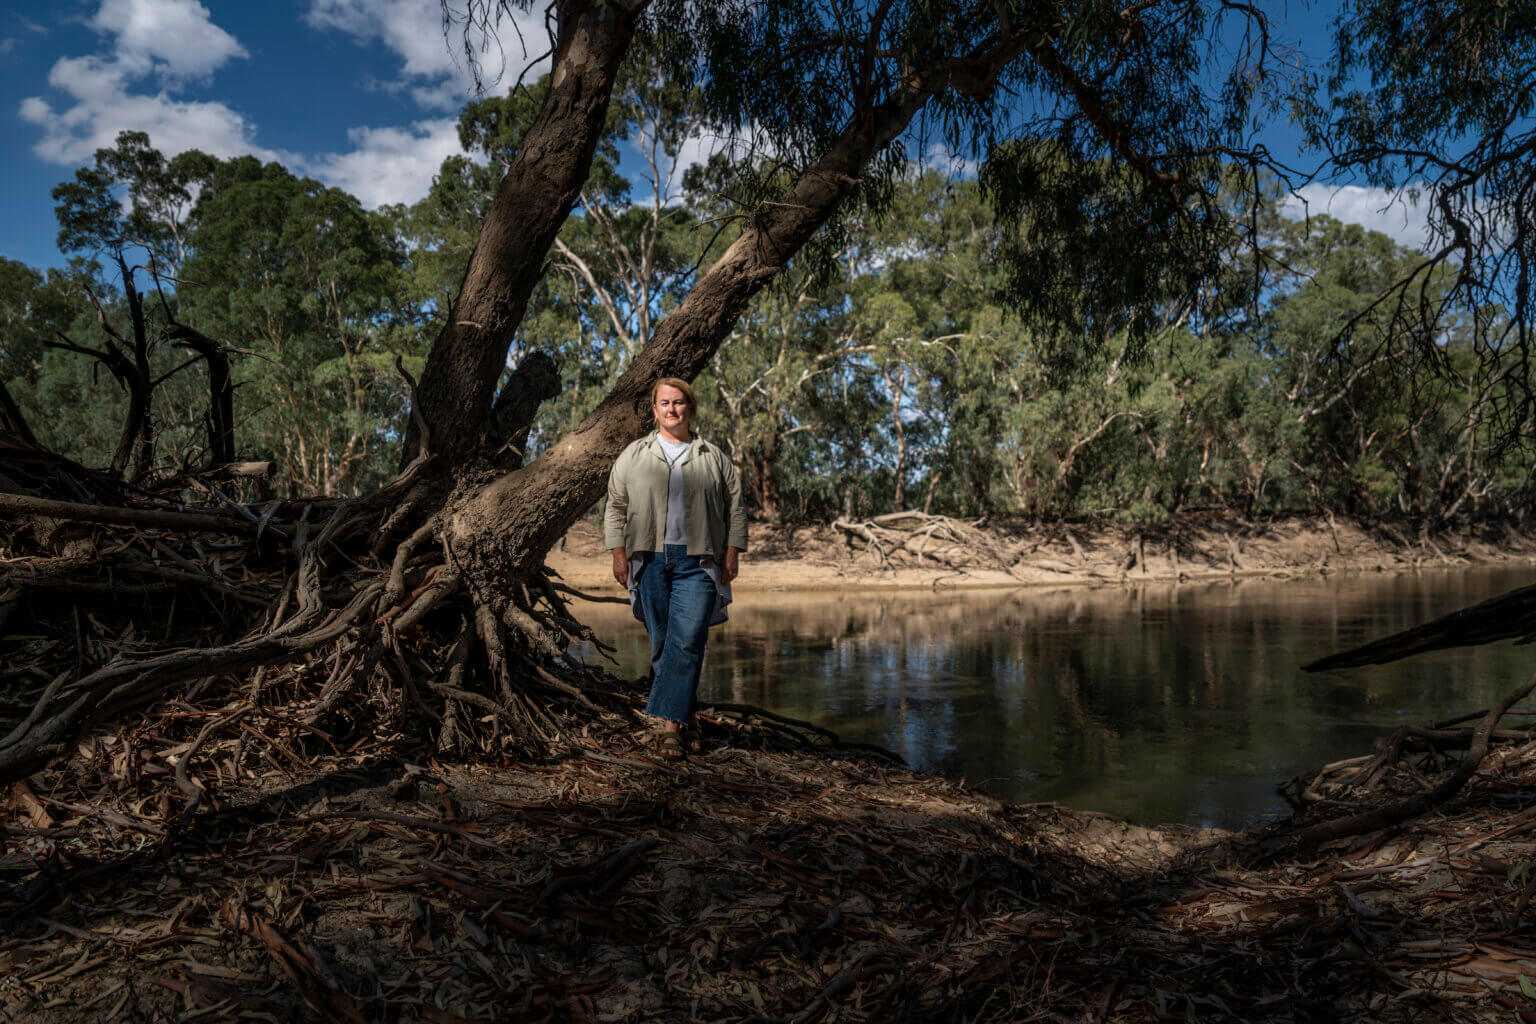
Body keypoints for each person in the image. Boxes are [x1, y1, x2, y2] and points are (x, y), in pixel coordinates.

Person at [604, 378, 747, 759]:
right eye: (664, 403)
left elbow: (735, 508)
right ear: (654, 410)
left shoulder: (712, 456)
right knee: (664, 641)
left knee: (687, 640)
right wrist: (618, 553)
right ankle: (689, 717)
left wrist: (732, 552)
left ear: (690, 408)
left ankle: (669, 729)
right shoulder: (633, 455)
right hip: (648, 557)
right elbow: (615, 507)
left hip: (698, 560)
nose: (672, 409)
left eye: (679, 402)